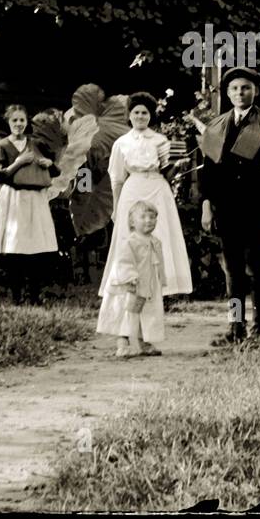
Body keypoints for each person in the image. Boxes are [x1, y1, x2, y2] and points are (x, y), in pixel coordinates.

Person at [97, 92, 193, 350]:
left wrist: (179, 166)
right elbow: (117, 179)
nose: (140, 116)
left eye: (145, 113)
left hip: (157, 194)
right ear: (129, 115)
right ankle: (122, 335)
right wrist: (117, 209)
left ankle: (146, 337)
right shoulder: (121, 143)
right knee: (127, 263)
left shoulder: (161, 140)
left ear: (151, 116)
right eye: (136, 112)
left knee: (151, 263)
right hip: (131, 194)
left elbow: (168, 171)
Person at [199, 67, 260, 344]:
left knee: (257, 268)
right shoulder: (217, 125)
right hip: (226, 207)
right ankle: (235, 326)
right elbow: (209, 170)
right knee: (233, 270)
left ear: (255, 91)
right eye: (235, 88)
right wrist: (207, 205)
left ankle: (258, 328)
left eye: (245, 87)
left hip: (255, 206)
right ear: (227, 93)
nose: (240, 92)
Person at [0, 103, 60, 303]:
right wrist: (18, 162)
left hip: (36, 198)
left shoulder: (37, 144)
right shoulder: (1, 147)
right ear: (8, 123)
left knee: (36, 247)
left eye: (22, 120)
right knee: (15, 247)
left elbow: (54, 170)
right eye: (14, 120)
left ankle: (34, 296)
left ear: (27, 122)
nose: (18, 124)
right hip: (14, 198)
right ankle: (16, 297)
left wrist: (49, 164)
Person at [97, 201, 167, 358]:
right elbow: (123, 261)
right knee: (127, 313)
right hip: (130, 285)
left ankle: (144, 342)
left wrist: (161, 279)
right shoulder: (129, 243)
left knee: (147, 314)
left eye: (152, 217)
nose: (148, 220)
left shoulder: (155, 242)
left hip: (148, 286)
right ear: (132, 222)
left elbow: (157, 263)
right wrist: (130, 277)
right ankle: (123, 344)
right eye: (143, 217)